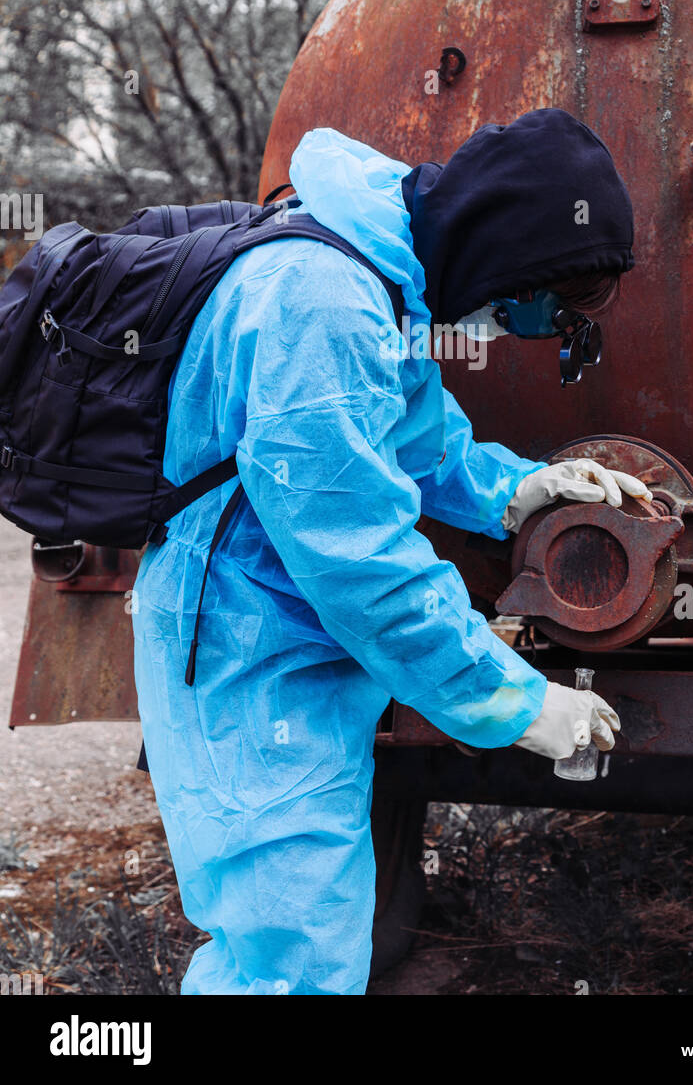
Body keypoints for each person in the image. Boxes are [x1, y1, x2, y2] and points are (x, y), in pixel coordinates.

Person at [132, 107, 649, 995]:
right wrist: (515, 702)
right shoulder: (322, 305)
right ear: (505, 255)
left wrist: (521, 489)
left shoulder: (380, 278)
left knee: (312, 936)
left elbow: (416, 444)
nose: (522, 332)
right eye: (540, 312)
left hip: (292, 646)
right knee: (287, 963)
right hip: (243, 655)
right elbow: (363, 562)